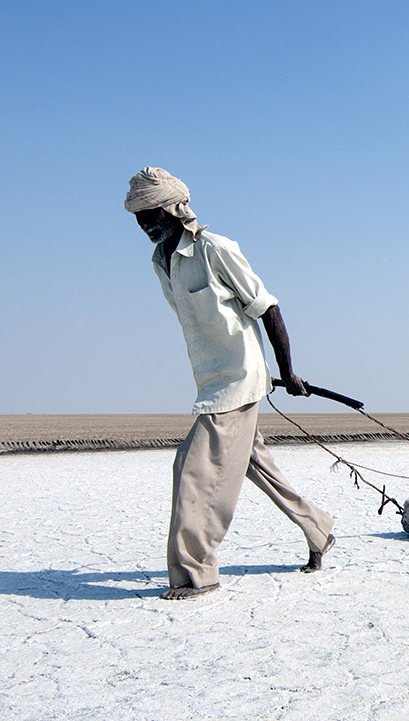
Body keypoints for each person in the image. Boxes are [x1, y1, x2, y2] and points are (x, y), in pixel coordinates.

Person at [124, 167, 334, 600]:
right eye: (138, 216)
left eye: (151, 213)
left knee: (193, 471)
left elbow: (268, 308)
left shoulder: (215, 249)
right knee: (256, 465)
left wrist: (287, 371)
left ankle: (197, 573)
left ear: (175, 209)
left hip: (236, 383)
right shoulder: (161, 262)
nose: (144, 223)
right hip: (212, 381)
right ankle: (318, 529)